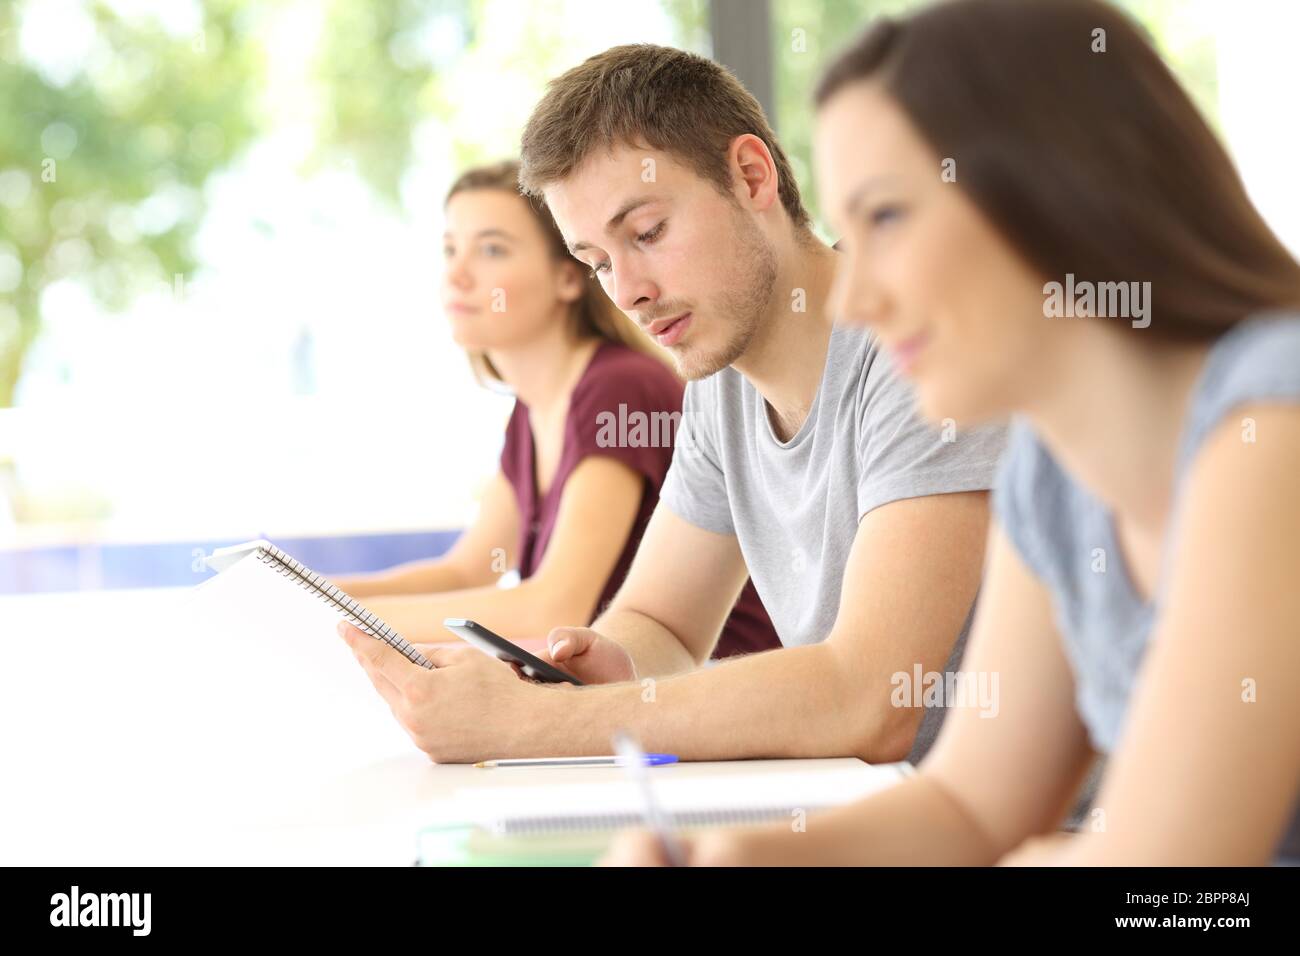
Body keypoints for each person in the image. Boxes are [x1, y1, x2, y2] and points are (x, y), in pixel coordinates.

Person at [604, 0, 1300, 865]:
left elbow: (1176, 883)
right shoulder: (1052, 469)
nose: (854, 300)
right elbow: (971, 808)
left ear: (1053, 186)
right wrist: (748, 858)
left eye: (888, 217)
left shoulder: (1272, 422)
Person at [338, 44, 1006, 766]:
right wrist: (598, 667)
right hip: (881, 810)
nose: (627, 291)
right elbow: (663, 625)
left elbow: (869, 701)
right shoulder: (720, 387)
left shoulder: (913, 346)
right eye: (596, 262)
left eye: (648, 234)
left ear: (752, 176)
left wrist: (526, 725)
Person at [334, 160, 777, 658]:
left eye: (492, 250)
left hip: (712, 702)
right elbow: (468, 569)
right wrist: (316, 593)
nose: (456, 275)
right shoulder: (530, 412)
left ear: (569, 278)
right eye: (450, 249)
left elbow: (555, 607)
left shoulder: (619, 389)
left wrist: (336, 622)